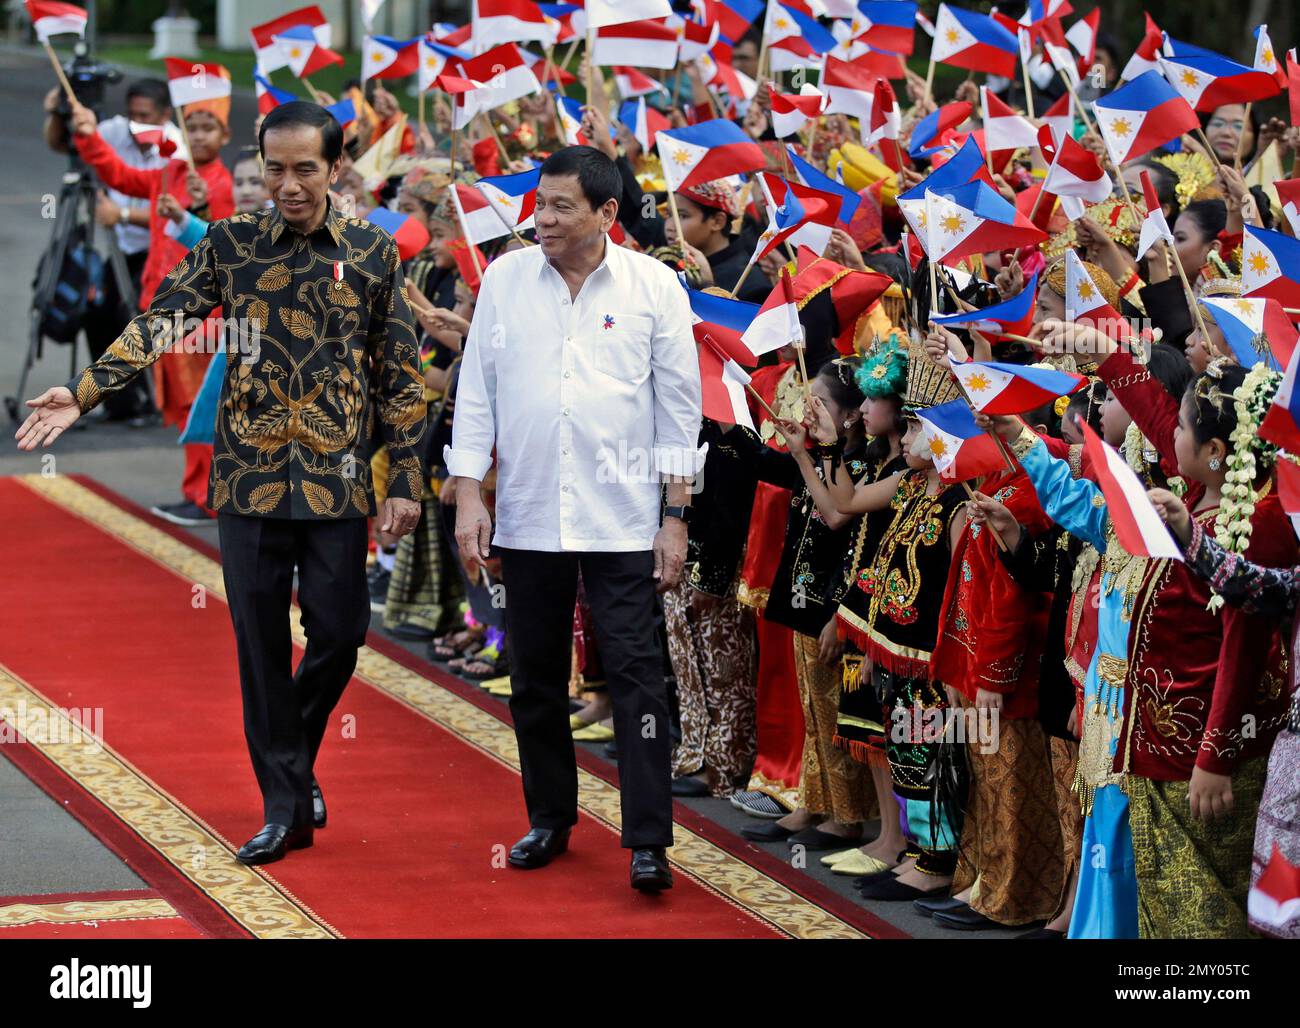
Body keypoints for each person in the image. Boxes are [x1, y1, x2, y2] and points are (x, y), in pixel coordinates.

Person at [16, 101, 427, 865]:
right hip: (250, 482)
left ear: (337, 167)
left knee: (341, 633)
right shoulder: (233, 245)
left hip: (338, 484)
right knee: (259, 644)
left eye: (307, 168)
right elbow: (161, 320)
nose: (290, 185)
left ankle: (291, 755)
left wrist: (404, 476)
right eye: (276, 169)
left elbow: (400, 377)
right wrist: (83, 390)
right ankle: (284, 806)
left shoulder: (373, 252)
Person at [445, 145, 702, 892]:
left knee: (636, 677)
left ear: (607, 214)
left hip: (624, 520)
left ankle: (649, 838)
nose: (542, 219)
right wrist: (468, 490)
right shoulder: (504, 280)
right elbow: (478, 395)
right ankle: (550, 816)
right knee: (533, 677)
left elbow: (679, 412)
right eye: (539, 203)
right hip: (527, 516)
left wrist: (675, 516)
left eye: (560, 207)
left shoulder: (655, 286)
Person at [64, 92, 234, 527]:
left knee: (202, 406)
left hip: (202, 316)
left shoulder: (221, 185)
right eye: (191, 127)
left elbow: (225, 241)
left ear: (224, 135)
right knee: (181, 407)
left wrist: (200, 206)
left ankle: (207, 497)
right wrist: (88, 138)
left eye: (207, 128)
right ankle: (198, 490)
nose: (197, 136)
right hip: (164, 309)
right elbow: (119, 175)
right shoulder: (168, 172)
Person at [43, 77, 181, 424]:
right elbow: (65, 145)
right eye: (133, 115)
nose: (138, 125)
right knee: (96, 309)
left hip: (160, 253)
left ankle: (156, 402)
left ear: (166, 115)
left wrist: (120, 214)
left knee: (131, 315)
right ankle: (119, 404)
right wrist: (61, 116)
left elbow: (174, 215)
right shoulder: (117, 131)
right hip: (121, 249)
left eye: (146, 116)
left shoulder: (175, 149)